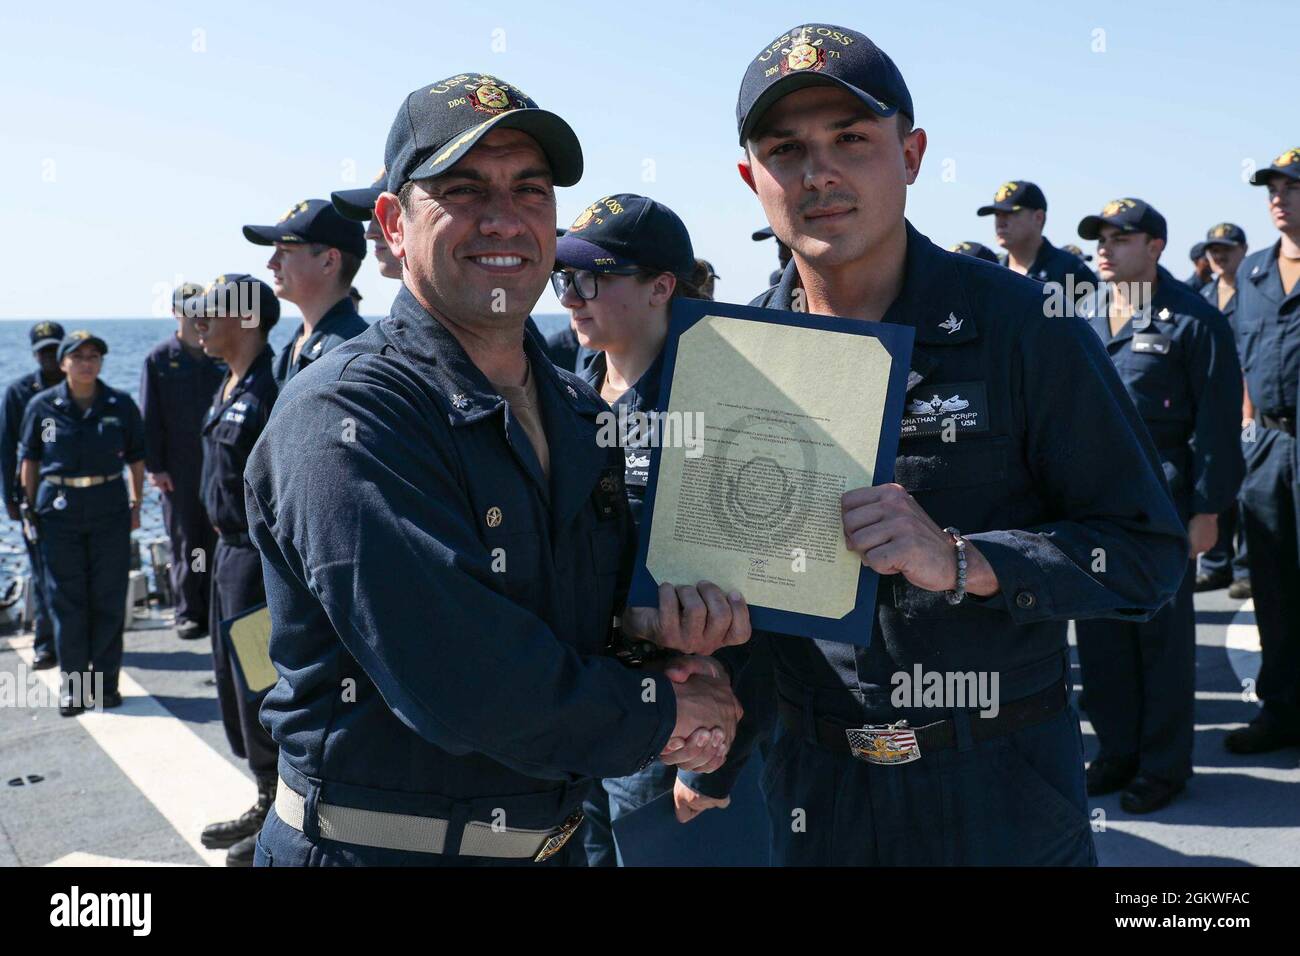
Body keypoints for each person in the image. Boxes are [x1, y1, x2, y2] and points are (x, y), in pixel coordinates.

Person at [671, 23, 1188, 865]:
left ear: (911, 156)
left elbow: (1145, 555)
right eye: (785, 149)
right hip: (819, 794)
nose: (819, 173)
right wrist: (707, 698)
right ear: (750, 177)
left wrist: (964, 560)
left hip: (1000, 787)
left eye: (852, 140)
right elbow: (747, 607)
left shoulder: (1024, 329)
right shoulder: (733, 360)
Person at [244, 73, 748, 867]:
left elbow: (573, 616)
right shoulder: (346, 417)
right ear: (393, 223)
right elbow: (464, 680)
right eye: (463, 189)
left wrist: (661, 635)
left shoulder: (578, 411)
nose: (505, 219)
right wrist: (665, 712)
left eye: (530, 190)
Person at [1073, 198, 1243, 813]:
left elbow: (1218, 431)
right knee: (1101, 638)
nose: (1106, 248)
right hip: (1089, 505)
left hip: (1163, 506)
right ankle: (1117, 752)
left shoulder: (1194, 322)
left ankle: (1164, 767)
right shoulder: (1083, 313)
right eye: (1100, 237)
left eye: (1122, 237)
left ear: (1155, 247)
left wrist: (1207, 512)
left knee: (1161, 643)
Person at [549, 192, 704, 864]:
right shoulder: (562, 389)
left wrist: (710, 762)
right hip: (578, 694)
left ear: (660, 288)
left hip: (669, 704)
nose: (571, 296)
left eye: (594, 278)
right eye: (564, 278)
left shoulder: (710, 399)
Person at [192, 274, 283, 866]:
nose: (199, 322)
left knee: (263, 690)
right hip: (225, 558)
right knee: (234, 688)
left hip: (253, 563)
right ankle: (262, 793)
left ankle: (280, 809)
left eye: (211, 312)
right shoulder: (228, 384)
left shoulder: (270, 387)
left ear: (245, 319)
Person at [18, 331, 145, 716]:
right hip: (58, 513)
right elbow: (31, 460)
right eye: (78, 357)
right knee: (67, 603)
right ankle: (75, 688)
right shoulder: (43, 407)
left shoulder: (119, 405)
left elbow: (136, 459)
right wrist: (28, 510)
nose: (87, 363)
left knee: (107, 599)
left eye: (94, 356)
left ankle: (106, 686)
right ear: (63, 364)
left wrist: (136, 504)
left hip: (108, 508)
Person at [1227, 147, 1300, 754]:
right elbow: (1239, 364)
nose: (1279, 196)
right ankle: (1283, 710)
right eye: (1272, 188)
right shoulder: (1252, 273)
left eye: (1291, 186)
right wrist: (1249, 426)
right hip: (1270, 449)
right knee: (1273, 586)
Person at [139, 283, 225, 641]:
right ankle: (189, 611)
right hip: (178, 467)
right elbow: (149, 418)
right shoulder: (159, 358)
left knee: (221, 537)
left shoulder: (219, 353)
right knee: (187, 542)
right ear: (176, 312)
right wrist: (154, 468)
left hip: (219, 465)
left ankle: (218, 607)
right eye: (188, 308)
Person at [242, 199, 368, 386]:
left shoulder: (352, 352)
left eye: (284, 250)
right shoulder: (293, 348)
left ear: (329, 261)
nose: (271, 263)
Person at [2, 321, 66, 668]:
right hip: (33, 499)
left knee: (73, 573)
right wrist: (10, 499)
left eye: (56, 350)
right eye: (43, 351)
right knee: (42, 573)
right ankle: (46, 644)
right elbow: (6, 448)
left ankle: (75, 641)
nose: (50, 358)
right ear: (34, 354)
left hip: (73, 499)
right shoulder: (19, 392)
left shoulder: (80, 388)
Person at [1194, 223, 1252, 598]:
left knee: (1246, 488)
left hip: (1247, 400)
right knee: (1213, 480)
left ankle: (1245, 568)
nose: (1219, 255)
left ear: (1243, 250)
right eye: (1213, 249)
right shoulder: (1203, 294)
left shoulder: (1256, 291)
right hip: (1212, 401)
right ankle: (1215, 565)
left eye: (1227, 248)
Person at [977, 180, 1097, 292]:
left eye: (1009, 213)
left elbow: (1097, 311)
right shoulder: (993, 272)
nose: (1000, 223)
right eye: (997, 214)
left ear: (1038, 218)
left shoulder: (1071, 270)